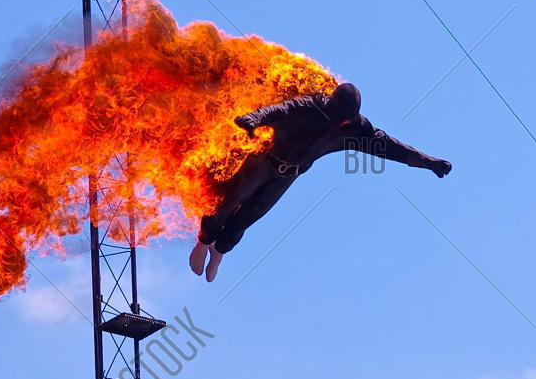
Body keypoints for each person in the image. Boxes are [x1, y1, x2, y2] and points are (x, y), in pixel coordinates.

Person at [190, 83, 452, 281]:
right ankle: (204, 242)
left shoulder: (355, 128)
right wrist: (254, 119)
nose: (339, 123)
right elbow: (280, 109)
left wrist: (429, 162)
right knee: (230, 202)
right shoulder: (309, 106)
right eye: (336, 117)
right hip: (264, 161)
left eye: (345, 121)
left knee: (250, 215)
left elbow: (388, 146)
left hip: (288, 175)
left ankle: (220, 250)